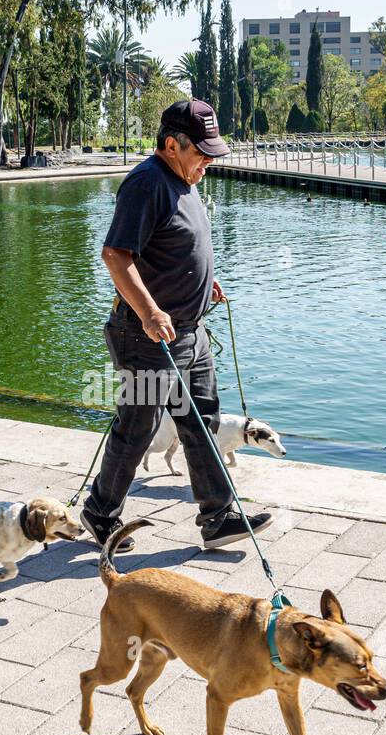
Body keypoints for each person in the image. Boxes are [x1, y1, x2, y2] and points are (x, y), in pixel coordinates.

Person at [81, 99, 272, 553]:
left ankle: (218, 517)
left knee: (202, 422)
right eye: (202, 152)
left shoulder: (184, 180)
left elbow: (176, 245)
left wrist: (206, 282)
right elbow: (116, 255)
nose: (208, 161)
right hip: (147, 336)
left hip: (191, 330)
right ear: (172, 144)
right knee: (139, 426)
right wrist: (148, 311)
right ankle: (100, 513)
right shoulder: (146, 184)